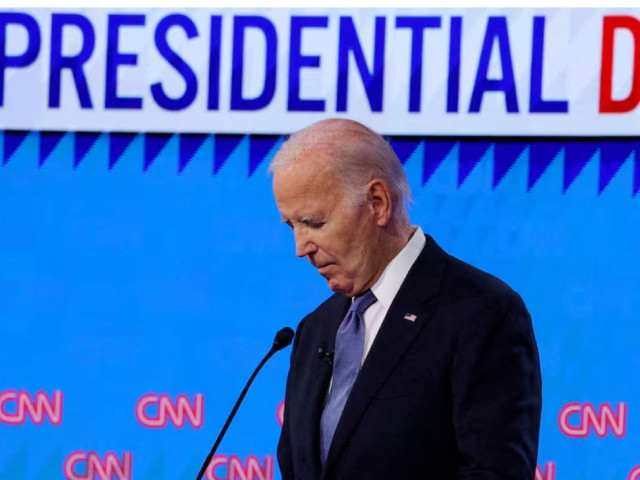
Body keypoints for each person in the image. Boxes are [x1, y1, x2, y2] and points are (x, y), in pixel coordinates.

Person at [270, 118, 541, 480]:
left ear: (378, 203)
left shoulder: (481, 312)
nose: (300, 248)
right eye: (291, 226)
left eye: (315, 223)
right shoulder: (313, 330)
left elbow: (494, 472)